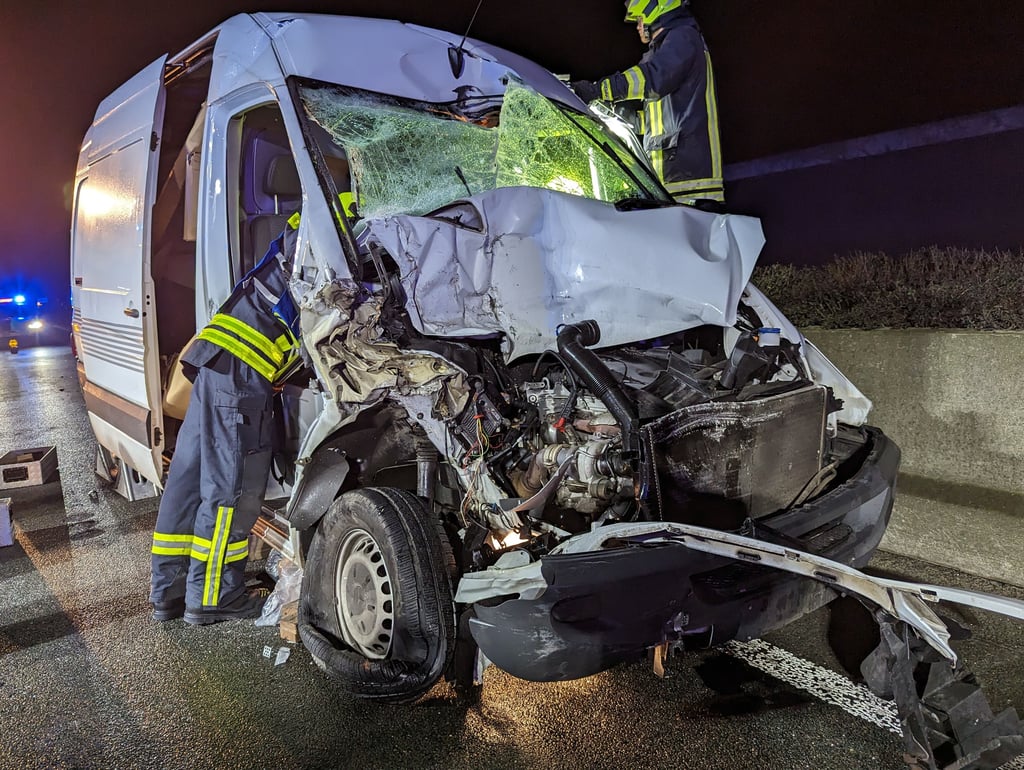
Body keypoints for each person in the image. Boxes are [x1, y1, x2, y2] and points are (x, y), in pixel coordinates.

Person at [149, 213, 303, 625]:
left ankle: (170, 591)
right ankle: (214, 596)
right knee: (232, 491)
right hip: (243, 365)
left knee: (188, 481)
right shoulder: (348, 220)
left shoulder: (322, 214)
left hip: (218, 356)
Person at [571, 0, 724, 206]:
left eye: (639, 19)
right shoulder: (665, 50)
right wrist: (625, 116)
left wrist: (598, 90)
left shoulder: (683, 37)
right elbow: (662, 121)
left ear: (655, 10)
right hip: (671, 183)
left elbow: (653, 79)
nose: (638, 27)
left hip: (692, 185)